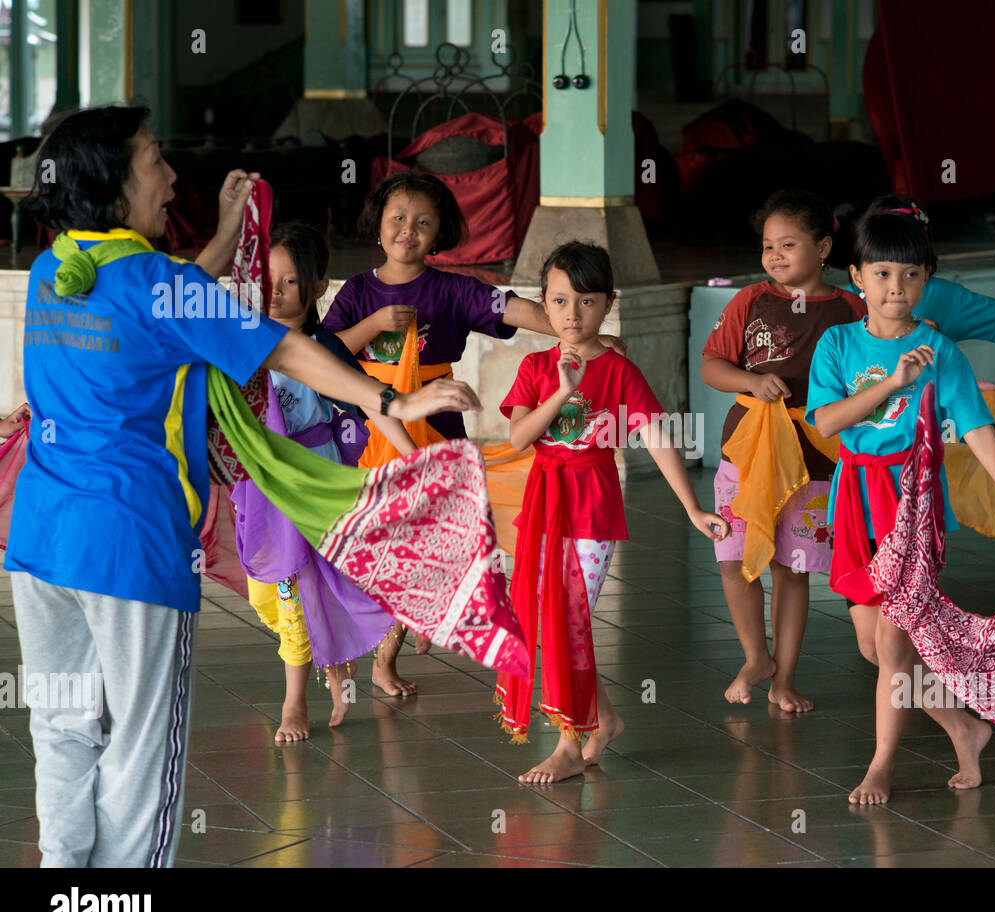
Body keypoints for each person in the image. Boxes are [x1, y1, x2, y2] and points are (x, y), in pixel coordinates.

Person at [8, 105, 479, 867]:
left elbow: (166, 308)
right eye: (154, 159)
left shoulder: (54, 273)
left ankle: (68, 893)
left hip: (41, 545)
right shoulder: (156, 283)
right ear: (114, 183)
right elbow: (281, 346)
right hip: (131, 546)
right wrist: (388, 399)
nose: (169, 176)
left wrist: (227, 233)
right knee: (141, 745)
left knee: (61, 727)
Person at [806, 202, 995, 804]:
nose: (895, 287)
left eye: (910, 275)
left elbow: (979, 430)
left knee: (897, 645)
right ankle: (965, 728)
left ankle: (880, 766)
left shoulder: (940, 350)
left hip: (911, 503)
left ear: (927, 280)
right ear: (856, 277)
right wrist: (893, 383)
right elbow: (825, 424)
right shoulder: (838, 344)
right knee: (874, 647)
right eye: (881, 274)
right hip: (854, 495)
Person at [322, 171, 623, 665]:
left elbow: (517, 309)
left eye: (423, 223)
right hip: (368, 426)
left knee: (445, 525)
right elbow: (325, 354)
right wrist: (374, 324)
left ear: (439, 236)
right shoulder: (356, 292)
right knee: (391, 535)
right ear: (377, 226)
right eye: (397, 218)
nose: (407, 230)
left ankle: (428, 613)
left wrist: (578, 336)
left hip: (439, 426)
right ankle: (384, 657)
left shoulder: (452, 290)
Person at [498, 241, 729, 784]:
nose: (571, 315)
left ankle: (569, 742)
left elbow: (656, 438)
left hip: (593, 505)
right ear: (543, 304)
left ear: (607, 305)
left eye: (586, 301)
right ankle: (604, 721)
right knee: (547, 616)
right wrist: (561, 392)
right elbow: (520, 435)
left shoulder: (621, 372)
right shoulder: (535, 366)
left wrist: (692, 507)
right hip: (544, 501)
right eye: (559, 302)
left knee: (570, 619)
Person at [238, 223, 423, 740]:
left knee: (292, 589)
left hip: (309, 483)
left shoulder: (322, 348)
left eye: (290, 282)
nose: (275, 292)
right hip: (260, 484)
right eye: (267, 279)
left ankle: (294, 703)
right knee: (263, 596)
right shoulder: (243, 342)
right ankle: (328, 651)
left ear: (317, 287)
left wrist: (414, 458)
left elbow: (369, 400)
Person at [700, 188, 864, 714]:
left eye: (788, 244)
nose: (774, 255)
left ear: (822, 248)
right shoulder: (750, 299)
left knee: (792, 569)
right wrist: (751, 381)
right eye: (768, 245)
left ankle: (785, 678)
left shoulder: (850, 308)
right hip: (747, 449)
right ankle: (756, 657)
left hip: (816, 455)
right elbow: (711, 366)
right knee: (733, 558)